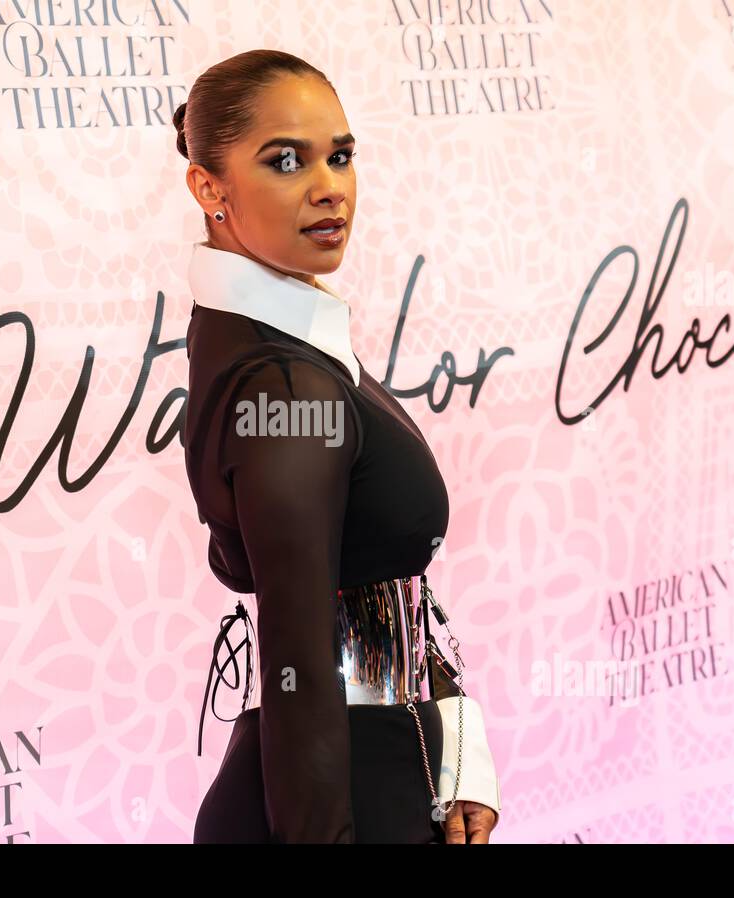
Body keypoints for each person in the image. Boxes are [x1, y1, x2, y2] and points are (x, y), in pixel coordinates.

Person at [176, 49, 500, 844]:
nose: (330, 185)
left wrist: (454, 745)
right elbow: (301, 671)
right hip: (335, 804)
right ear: (207, 186)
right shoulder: (283, 383)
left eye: (341, 155)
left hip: (388, 772)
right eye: (285, 160)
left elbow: (364, 597)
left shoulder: (288, 339)